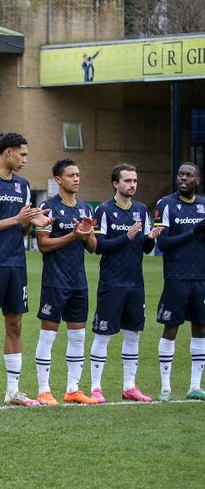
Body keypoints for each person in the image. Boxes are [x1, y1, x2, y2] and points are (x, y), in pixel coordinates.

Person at [0, 133, 51, 409]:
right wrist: (16, 218)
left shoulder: (23, 185)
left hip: (17, 264)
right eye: (22, 154)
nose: (25, 159)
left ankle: (13, 391)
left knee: (15, 325)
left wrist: (34, 222)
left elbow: (22, 228)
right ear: (7, 153)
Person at [88, 164, 162, 403]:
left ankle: (130, 386)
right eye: (128, 180)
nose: (133, 185)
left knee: (133, 335)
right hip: (111, 283)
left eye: (135, 181)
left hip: (135, 284)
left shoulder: (141, 210)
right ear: (115, 184)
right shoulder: (104, 210)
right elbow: (99, 247)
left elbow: (146, 247)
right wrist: (126, 237)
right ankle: (96, 387)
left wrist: (150, 239)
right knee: (103, 335)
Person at [33, 159, 98, 406]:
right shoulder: (47, 207)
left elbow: (92, 247)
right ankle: (43, 389)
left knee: (78, 336)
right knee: (48, 336)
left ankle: (73, 389)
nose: (77, 179)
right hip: (55, 281)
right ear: (59, 180)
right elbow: (43, 245)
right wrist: (73, 235)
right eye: (71, 175)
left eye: (78, 175)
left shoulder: (84, 208)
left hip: (78, 282)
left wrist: (87, 233)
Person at [153, 162, 205, 402]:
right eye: (180, 174)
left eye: (189, 175)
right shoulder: (166, 204)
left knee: (201, 329)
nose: (183, 178)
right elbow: (162, 244)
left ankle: (195, 386)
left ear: (198, 181)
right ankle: (165, 388)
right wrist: (194, 232)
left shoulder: (204, 205)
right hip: (176, 277)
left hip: (201, 278)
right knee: (170, 328)